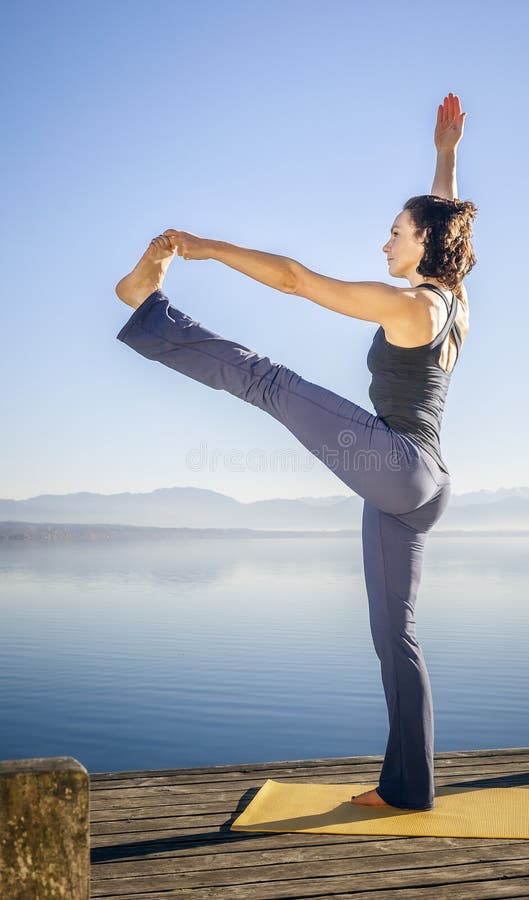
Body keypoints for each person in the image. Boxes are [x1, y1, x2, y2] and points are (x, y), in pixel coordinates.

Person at [114, 92, 477, 811]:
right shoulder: (455, 298)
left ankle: (148, 309)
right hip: (418, 488)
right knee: (393, 636)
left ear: (422, 245)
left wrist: (207, 247)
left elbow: (296, 280)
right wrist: (445, 154)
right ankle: (408, 788)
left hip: (398, 463)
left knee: (268, 381)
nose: (386, 244)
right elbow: (447, 213)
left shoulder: (410, 306)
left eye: (394, 234)